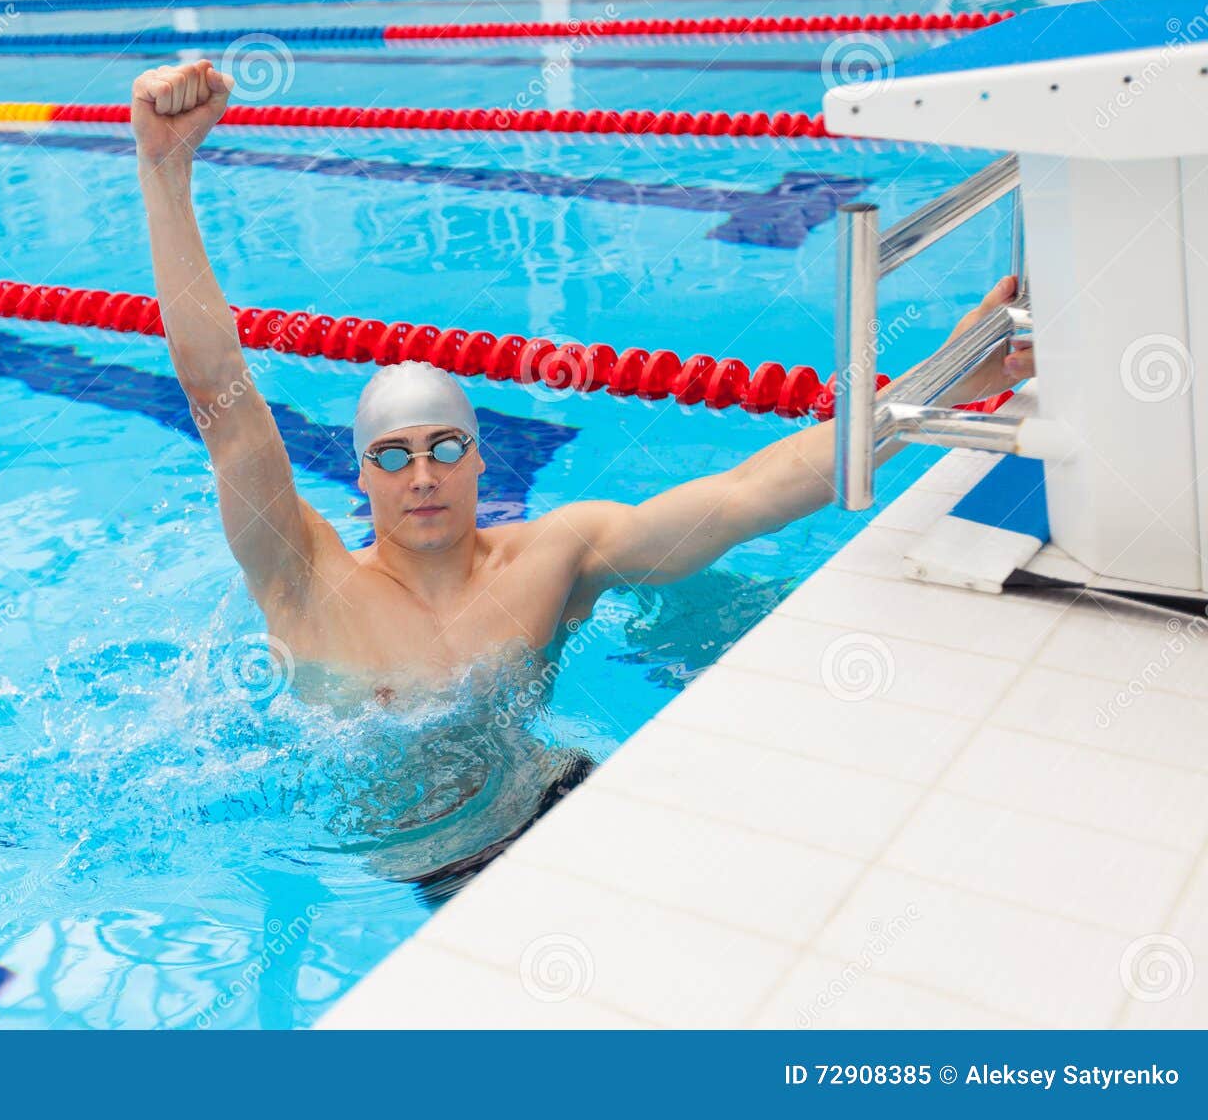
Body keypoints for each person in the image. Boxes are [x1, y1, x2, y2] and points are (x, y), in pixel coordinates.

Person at [131, 60, 1033, 901]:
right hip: (411, 860)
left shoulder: (555, 558)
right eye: (394, 456)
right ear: (360, 477)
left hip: (555, 798)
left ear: (485, 459)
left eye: (446, 448)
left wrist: (950, 376)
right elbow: (220, 394)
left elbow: (751, 494)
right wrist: (166, 176)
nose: (423, 475)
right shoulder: (307, 581)